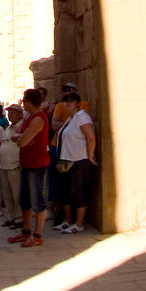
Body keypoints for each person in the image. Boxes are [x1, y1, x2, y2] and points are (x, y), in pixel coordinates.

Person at [7, 89, 50, 247]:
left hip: (36, 164)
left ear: (29, 102)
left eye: (24, 101)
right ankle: (25, 232)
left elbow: (22, 140)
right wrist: (20, 137)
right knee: (24, 200)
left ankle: (37, 235)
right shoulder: (30, 117)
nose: (23, 104)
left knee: (37, 200)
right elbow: (18, 133)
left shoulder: (39, 118)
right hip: (26, 162)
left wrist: (20, 138)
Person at [56, 92, 97, 234]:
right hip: (66, 160)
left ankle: (79, 224)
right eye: (66, 101)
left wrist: (90, 156)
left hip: (79, 160)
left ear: (77, 103)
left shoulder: (82, 117)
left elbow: (91, 137)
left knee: (78, 193)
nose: (68, 103)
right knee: (65, 193)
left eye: (71, 101)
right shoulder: (70, 119)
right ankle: (68, 221)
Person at [0, 104, 23, 226]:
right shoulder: (7, 129)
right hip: (4, 165)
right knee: (7, 194)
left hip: (15, 165)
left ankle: (19, 218)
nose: (10, 115)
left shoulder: (23, 127)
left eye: (13, 112)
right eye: (9, 112)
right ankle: (10, 217)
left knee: (16, 193)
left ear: (20, 114)